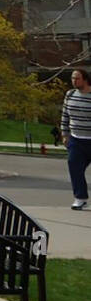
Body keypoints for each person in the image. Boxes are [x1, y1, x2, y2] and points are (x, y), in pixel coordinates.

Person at [59, 68, 91, 210]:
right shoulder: (70, 94)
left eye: (77, 78)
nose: (74, 81)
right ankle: (80, 198)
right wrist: (65, 134)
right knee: (74, 167)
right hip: (76, 140)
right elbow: (65, 115)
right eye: (72, 78)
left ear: (85, 79)